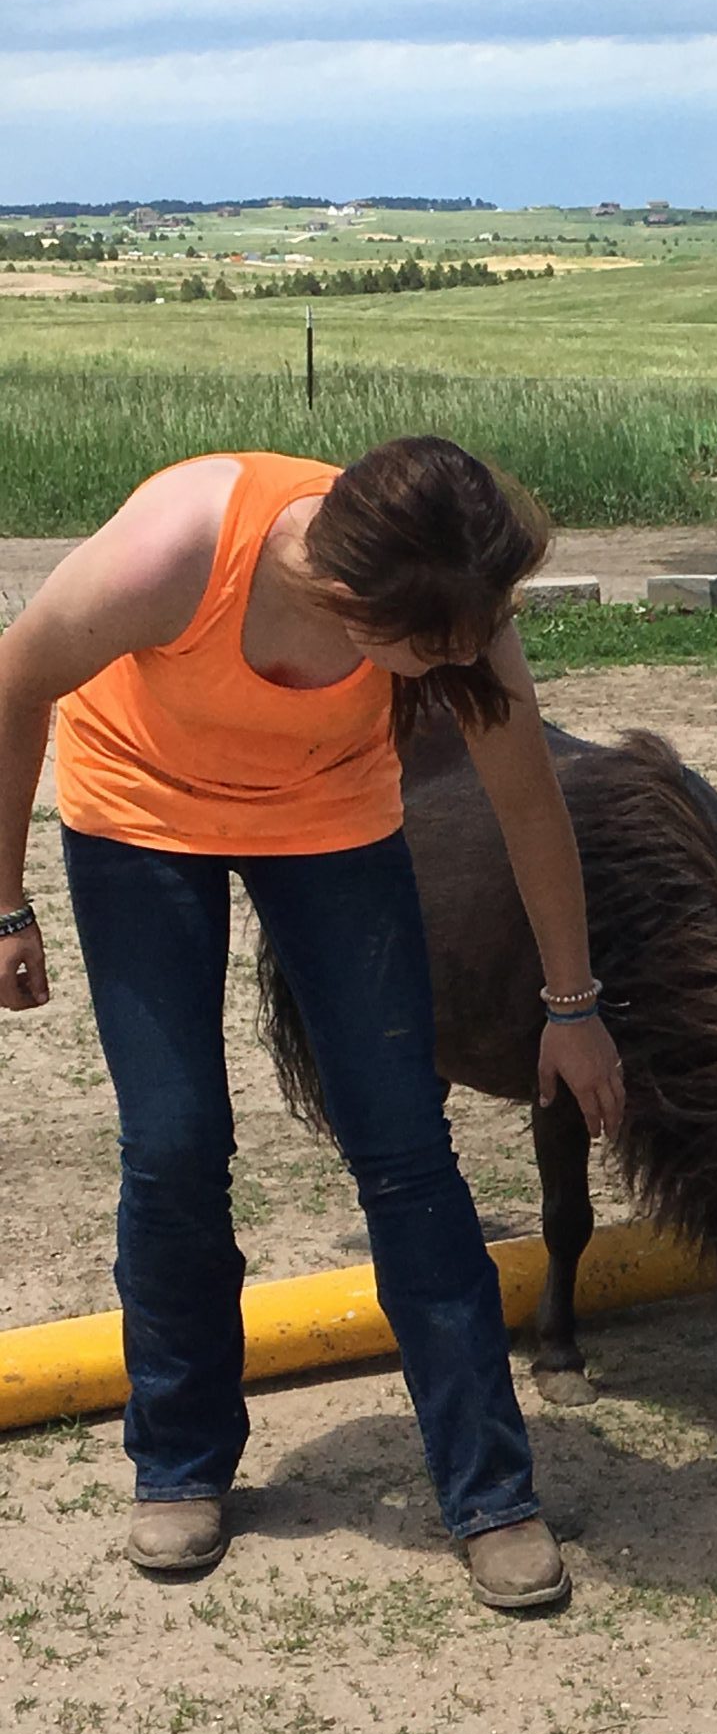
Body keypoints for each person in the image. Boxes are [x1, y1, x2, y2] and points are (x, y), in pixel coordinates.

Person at [0, 438, 624, 1610]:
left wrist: (573, 1002)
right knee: (174, 1143)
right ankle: (178, 1458)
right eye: (429, 656)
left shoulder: (456, 596)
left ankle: (492, 1490)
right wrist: (2, 904)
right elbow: (13, 679)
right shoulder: (173, 552)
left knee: (404, 1143)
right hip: (140, 812)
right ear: (351, 605)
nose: (452, 668)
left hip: (330, 820)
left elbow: (526, 793)